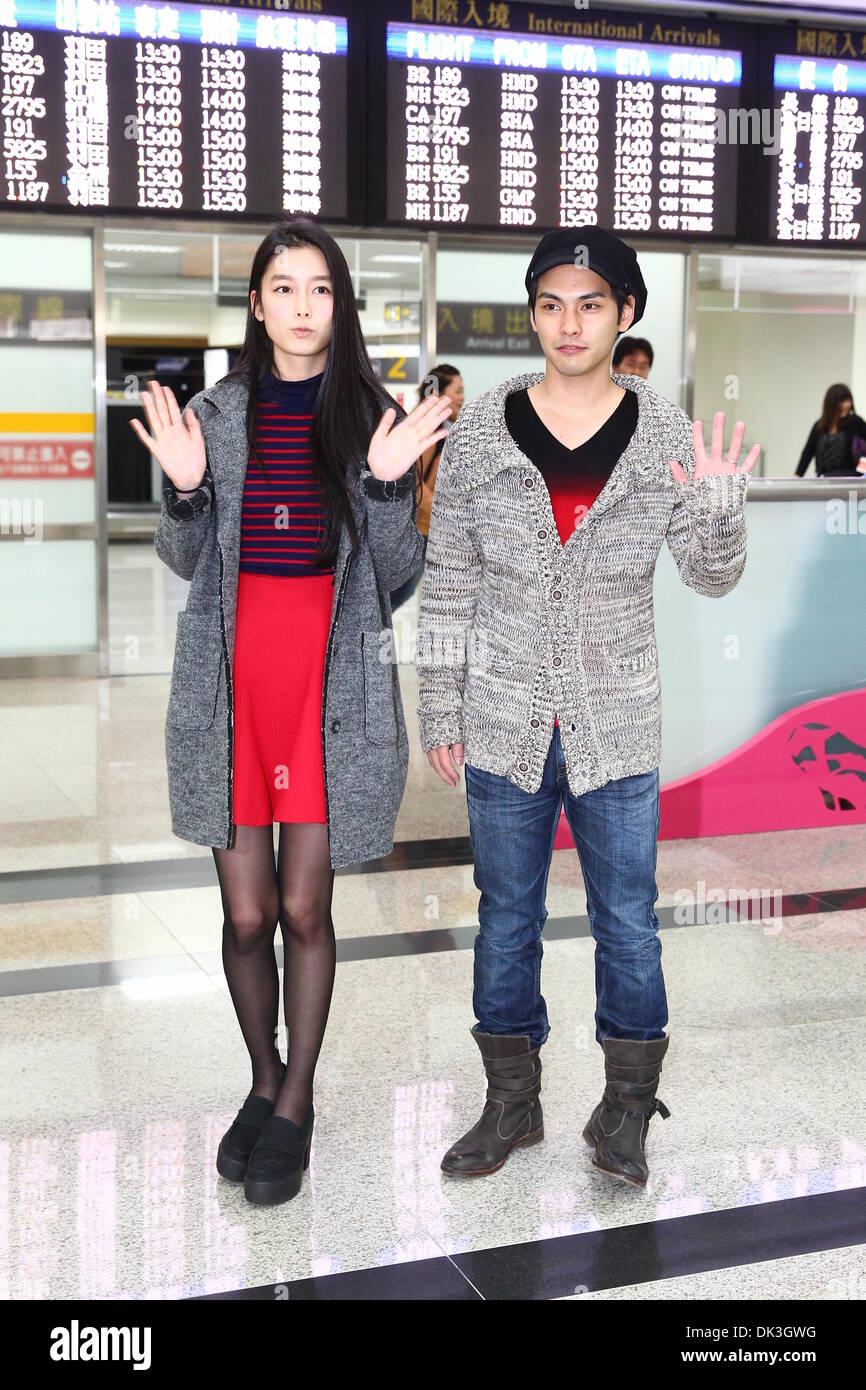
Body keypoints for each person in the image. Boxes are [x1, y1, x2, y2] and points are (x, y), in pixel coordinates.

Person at [416, 226, 759, 1188]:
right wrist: (439, 707)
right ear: (534, 313)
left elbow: (710, 576)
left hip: (618, 723)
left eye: (592, 304)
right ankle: (511, 1103)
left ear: (627, 314)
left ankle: (623, 1109)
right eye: (552, 304)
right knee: (505, 918)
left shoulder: (665, 429)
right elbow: (449, 580)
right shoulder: (482, 428)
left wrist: (723, 509)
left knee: (629, 923)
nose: (570, 324)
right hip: (502, 718)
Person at [131, 216, 451, 1207]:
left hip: (330, 685)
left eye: (320, 288)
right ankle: (261, 1078)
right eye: (284, 287)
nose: (303, 305)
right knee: (244, 913)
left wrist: (391, 486)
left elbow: (396, 577)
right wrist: (184, 494)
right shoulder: (215, 415)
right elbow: (185, 559)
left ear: (338, 303)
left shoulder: (370, 415)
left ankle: (296, 1101)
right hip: (232, 686)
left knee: (305, 907)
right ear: (258, 301)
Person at [389, 364, 464, 610]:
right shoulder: (427, 429)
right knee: (396, 596)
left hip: (426, 528)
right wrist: (437, 510)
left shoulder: (444, 428)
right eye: (458, 391)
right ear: (439, 395)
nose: (462, 397)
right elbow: (411, 477)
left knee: (399, 596)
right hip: (418, 528)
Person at [795, 384, 866, 476]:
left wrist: (862, 470)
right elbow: (807, 453)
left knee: (851, 490)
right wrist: (797, 476)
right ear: (831, 403)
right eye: (842, 401)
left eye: (848, 401)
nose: (847, 405)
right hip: (825, 479)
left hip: (850, 479)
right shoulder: (819, 426)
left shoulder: (855, 422)